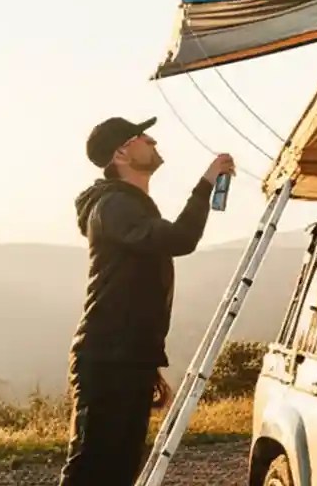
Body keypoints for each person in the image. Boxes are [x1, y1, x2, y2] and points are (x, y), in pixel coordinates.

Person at [58, 115, 235, 486]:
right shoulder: (113, 206)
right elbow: (180, 239)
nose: (152, 140)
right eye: (142, 136)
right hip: (107, 360)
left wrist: (146, 360)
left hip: (127, 357)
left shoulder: (129, 204)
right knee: (90, 468)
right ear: (121, 152)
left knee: (120, 469)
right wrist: (204, 186)